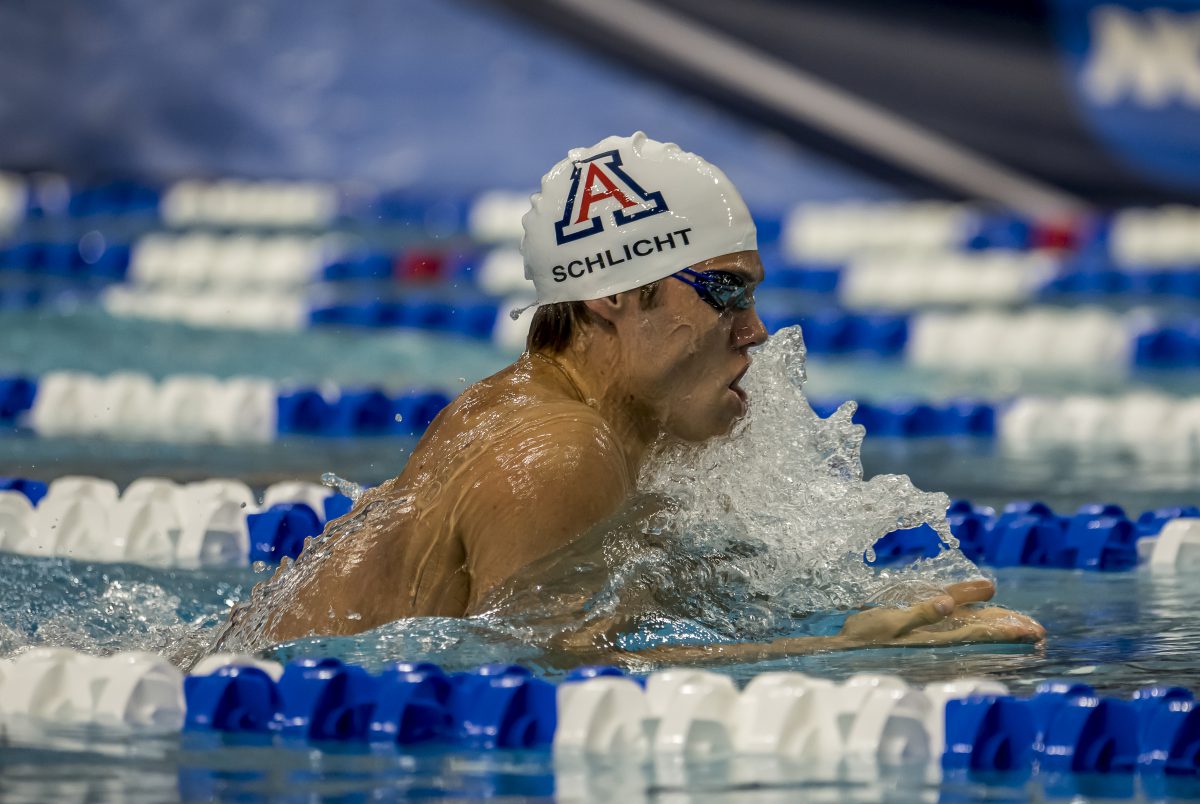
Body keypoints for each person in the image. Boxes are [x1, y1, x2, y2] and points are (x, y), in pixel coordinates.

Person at [224, 133, 1043, 659]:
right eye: (725, 292)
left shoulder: (553, 410)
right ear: (614, 296)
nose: (755, 330)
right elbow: (538, 678)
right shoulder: (559, 450)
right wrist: (841, 644)